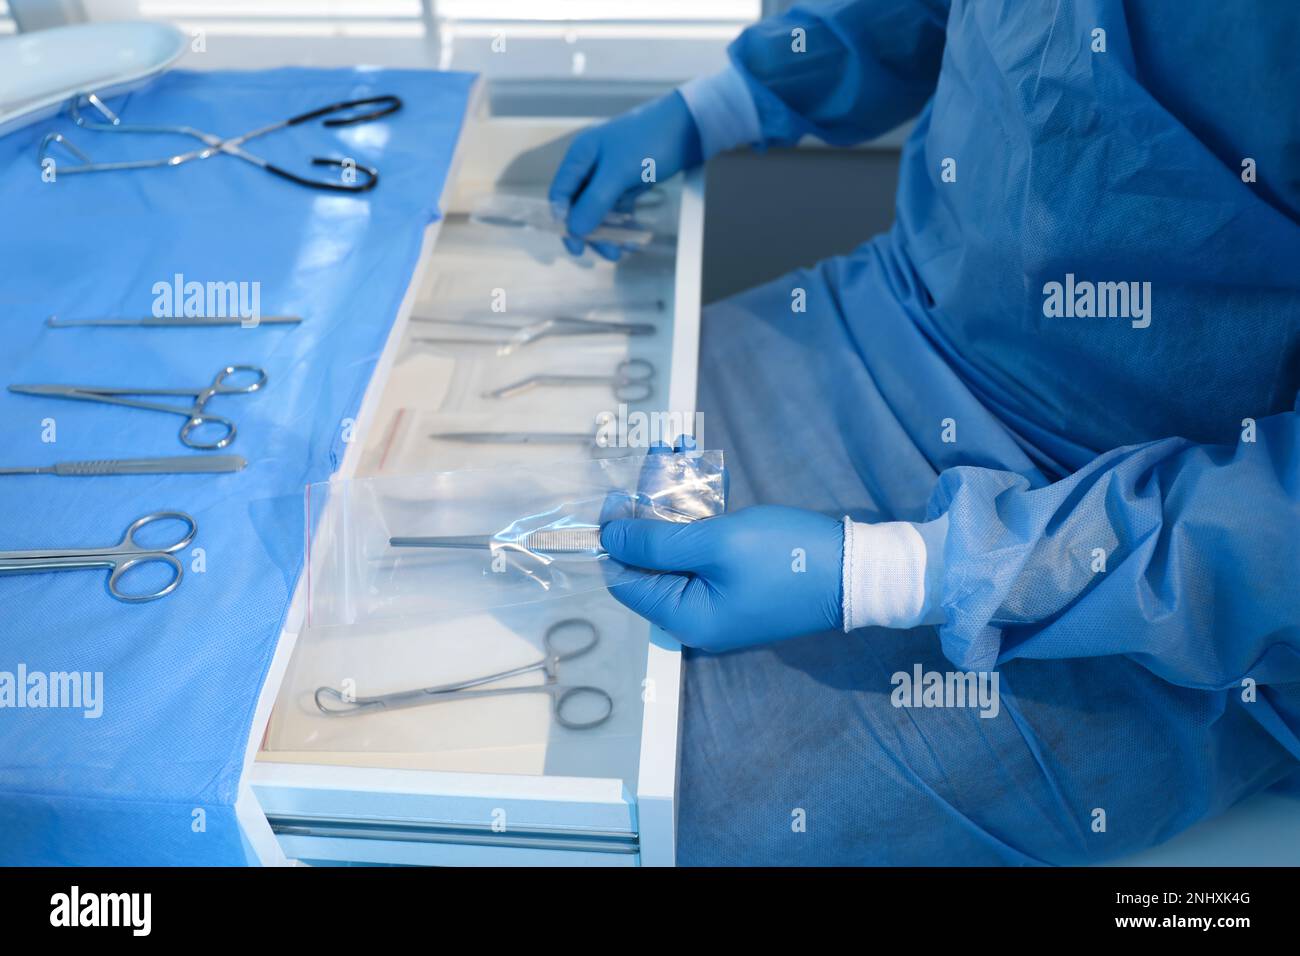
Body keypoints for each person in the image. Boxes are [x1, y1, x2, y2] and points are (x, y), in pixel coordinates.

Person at [549, 0, 1300, 865]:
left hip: (1155, 584)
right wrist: (720, 104)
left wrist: (900, 572)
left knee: (670, 815)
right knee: (566, 443)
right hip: (900, 313)